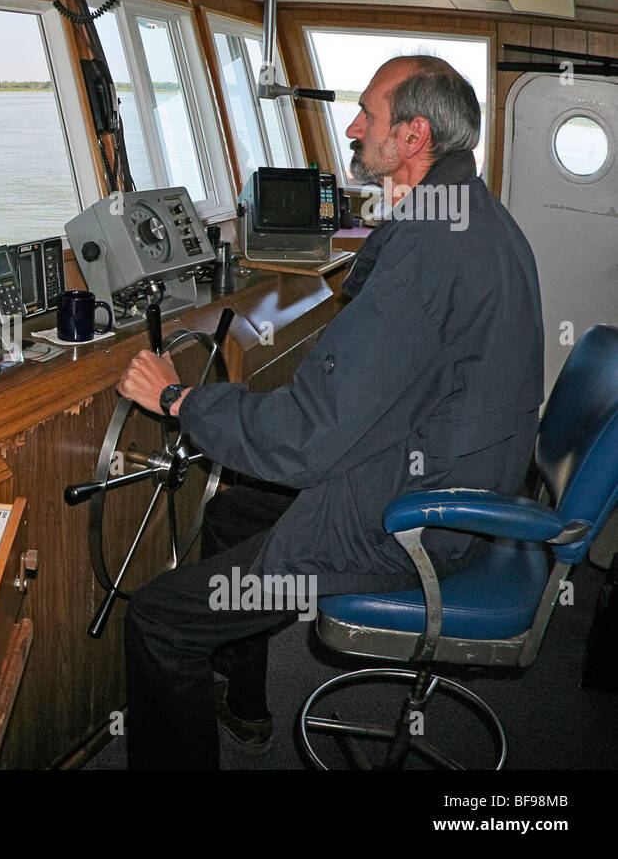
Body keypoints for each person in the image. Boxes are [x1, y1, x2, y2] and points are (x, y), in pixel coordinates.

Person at [115, 55, 544, 769]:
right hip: (443, 480)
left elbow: (308, 444)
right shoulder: (468, 214)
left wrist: (178, 398)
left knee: (160, 620)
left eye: (367, 115)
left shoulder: (432, 253)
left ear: (411, 139)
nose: (350, 126)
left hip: (410, 524)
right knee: (229, 514)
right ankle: (246, 706)